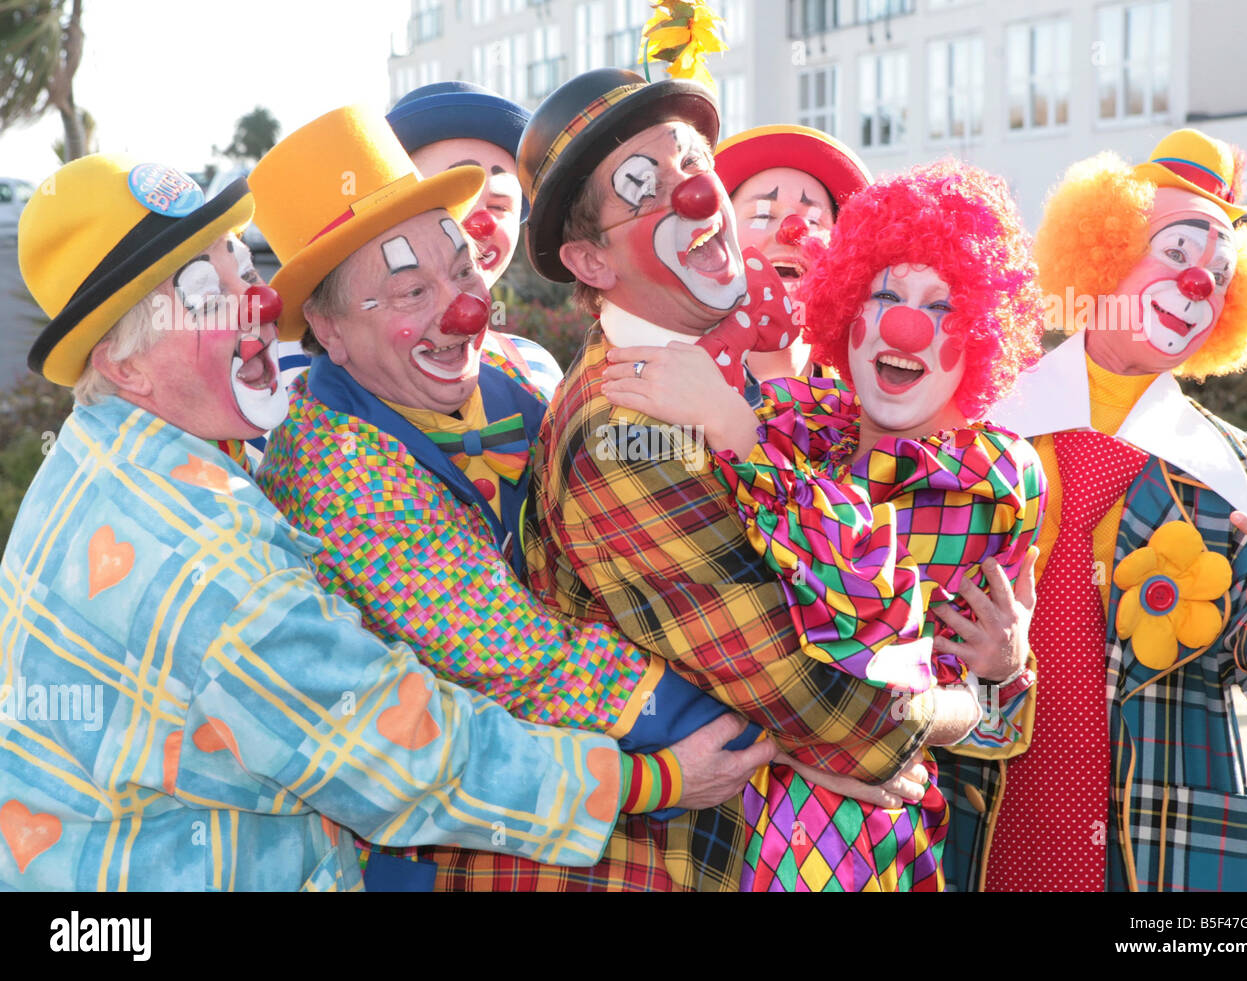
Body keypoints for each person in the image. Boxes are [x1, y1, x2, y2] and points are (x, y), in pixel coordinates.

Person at [0, 151, 754, 891]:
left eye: (246, 273)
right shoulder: (215, 557)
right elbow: (400, 752)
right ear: (126, 367)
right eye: (206, 300)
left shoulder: (95, 453)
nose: (255, 307)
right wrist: (650, 778)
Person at [439, 66, 1022, 892]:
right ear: (588, 261)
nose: (691, 196)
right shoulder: (628, 424)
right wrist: (967, 707)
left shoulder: (725, 389)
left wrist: (991, 667)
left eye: (690, 162)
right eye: (643, 188)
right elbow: (800, 689)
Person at [249, 105, 773, 890]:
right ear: (327, 327)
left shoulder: (524, 371)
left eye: (461, 271)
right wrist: (755, 728)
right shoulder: (327, 463)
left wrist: (736, 435)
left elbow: (629, 492)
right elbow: (511, 653)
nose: (460, 309)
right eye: (407, 291)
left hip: (606, 782)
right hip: (441, 838)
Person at [604, 160, 1047, 890]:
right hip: (712, 831)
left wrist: (733, 429)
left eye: (943, 307)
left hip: (847, 853)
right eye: (886, 294)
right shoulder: (805, 422)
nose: (907, 323)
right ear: (848, 306)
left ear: (984, 332)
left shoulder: (984, 473)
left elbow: (859, 638)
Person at [949, 128, 1247, 892]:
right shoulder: (973, 430)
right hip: (984, 820)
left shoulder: (1245, 477)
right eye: (1176, 253)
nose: (1200, 284)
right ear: (1101, 251)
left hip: (1167, 853)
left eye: (1220, 272)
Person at [387, 81, 565, 399]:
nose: (481, 224)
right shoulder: (296, 379)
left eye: (499, 206)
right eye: (457, 204)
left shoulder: (538, 372)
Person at [713, 123, 871, 380]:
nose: (792, 231)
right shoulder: (676, 384)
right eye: (763, 215)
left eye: (813, 221)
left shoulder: (868, 399)